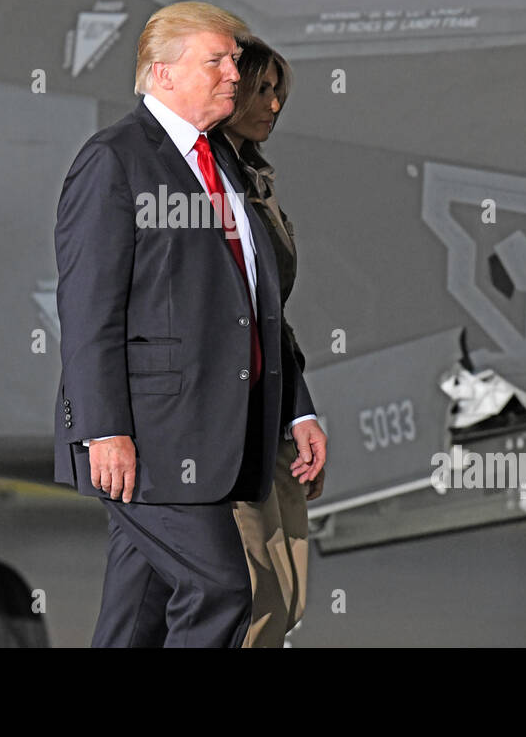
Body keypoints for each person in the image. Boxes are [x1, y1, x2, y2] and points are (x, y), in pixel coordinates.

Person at [53, 1, 328, 647]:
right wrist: (105, 429)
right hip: (148, 438)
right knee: (222, 588)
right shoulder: (114, 161)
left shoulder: (226, 164)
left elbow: (255, 305)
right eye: (218, 61)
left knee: (137, 615)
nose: (234, 73)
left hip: (213, 432)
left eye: (235, 60)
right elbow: (90, 309)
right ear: (162, 72)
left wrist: (296, 408)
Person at [215, 36, 323, 647]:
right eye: (261, 89)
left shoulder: (253, 179)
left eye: (279, 90)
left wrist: (300, 409)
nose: (274, 104)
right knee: (252, 596)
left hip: (269, 413)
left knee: (288, 593)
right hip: (222, 425)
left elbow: (268, 313)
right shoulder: (187, 180)